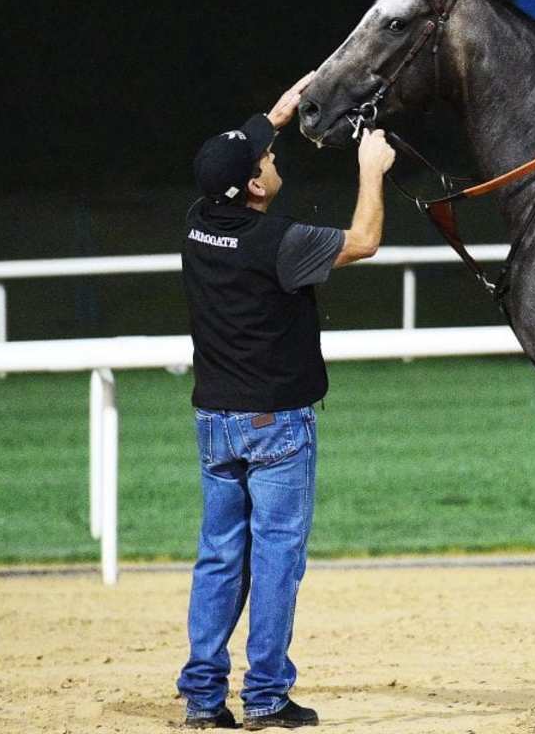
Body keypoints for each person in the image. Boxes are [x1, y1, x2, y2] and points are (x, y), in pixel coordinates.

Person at [176, 72, 395, 729]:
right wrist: (372, 169)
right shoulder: (277, 246)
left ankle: (204, 699)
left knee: (220, 557)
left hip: (215, 423)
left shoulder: (197, 224)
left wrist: (281, 111)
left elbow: (246, 147)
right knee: (275, 563)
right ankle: (267, 697)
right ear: (250, 187)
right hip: (275, 429)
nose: (272, 160)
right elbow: (364, 240)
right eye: (266, 161)